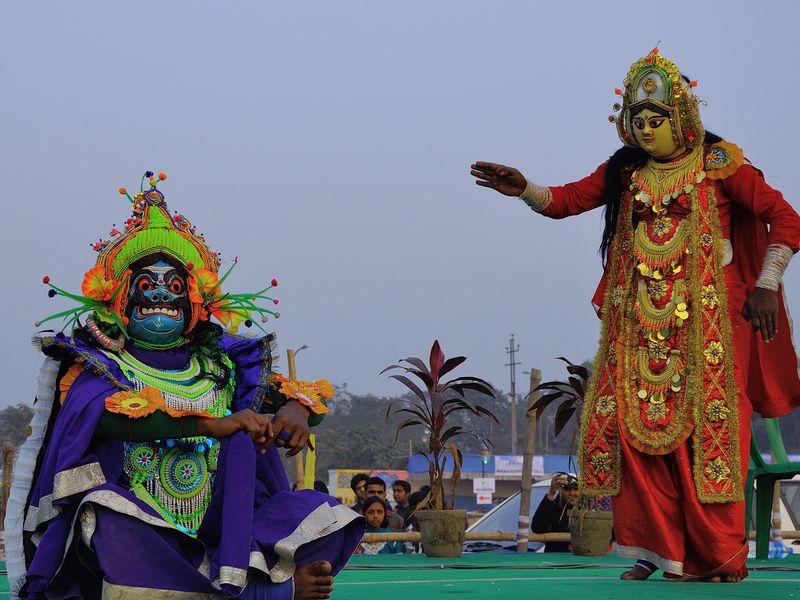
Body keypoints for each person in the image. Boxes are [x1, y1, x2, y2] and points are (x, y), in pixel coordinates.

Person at [471, 48, 800, 582]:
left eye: (656, 119)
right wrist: (524, 189)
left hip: (712, 326)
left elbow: (786, 218)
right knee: (632, 431)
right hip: (640, 326)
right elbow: (567, 200)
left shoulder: (721, 163)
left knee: (708, 435)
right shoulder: (626, 171)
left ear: (683, 116)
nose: (646, 130)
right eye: (638, 120)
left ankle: (716, 556)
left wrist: (766, 284)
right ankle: (659, 551)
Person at [5, 172, 365, 598]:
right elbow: (107, 418)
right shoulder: (101, 364)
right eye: (145, 285)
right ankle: (272, 589)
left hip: (221, 519)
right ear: (120, 298)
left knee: (316, 513)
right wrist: (213, 424)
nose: (160, 294)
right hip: (140, 522)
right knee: (104, 514)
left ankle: (260, 580)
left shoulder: (220, 362)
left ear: (194, 299)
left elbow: (301, 398)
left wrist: (295, 411)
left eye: (174, 286)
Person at [532, 474, 579, 552]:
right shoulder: (553, 506)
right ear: (561, 491)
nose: (572, 493)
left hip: (582, 558)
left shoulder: (590, 509)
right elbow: (538, 529)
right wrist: (551, 493)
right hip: (555, 557)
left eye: (576, 489)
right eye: (567, 489)